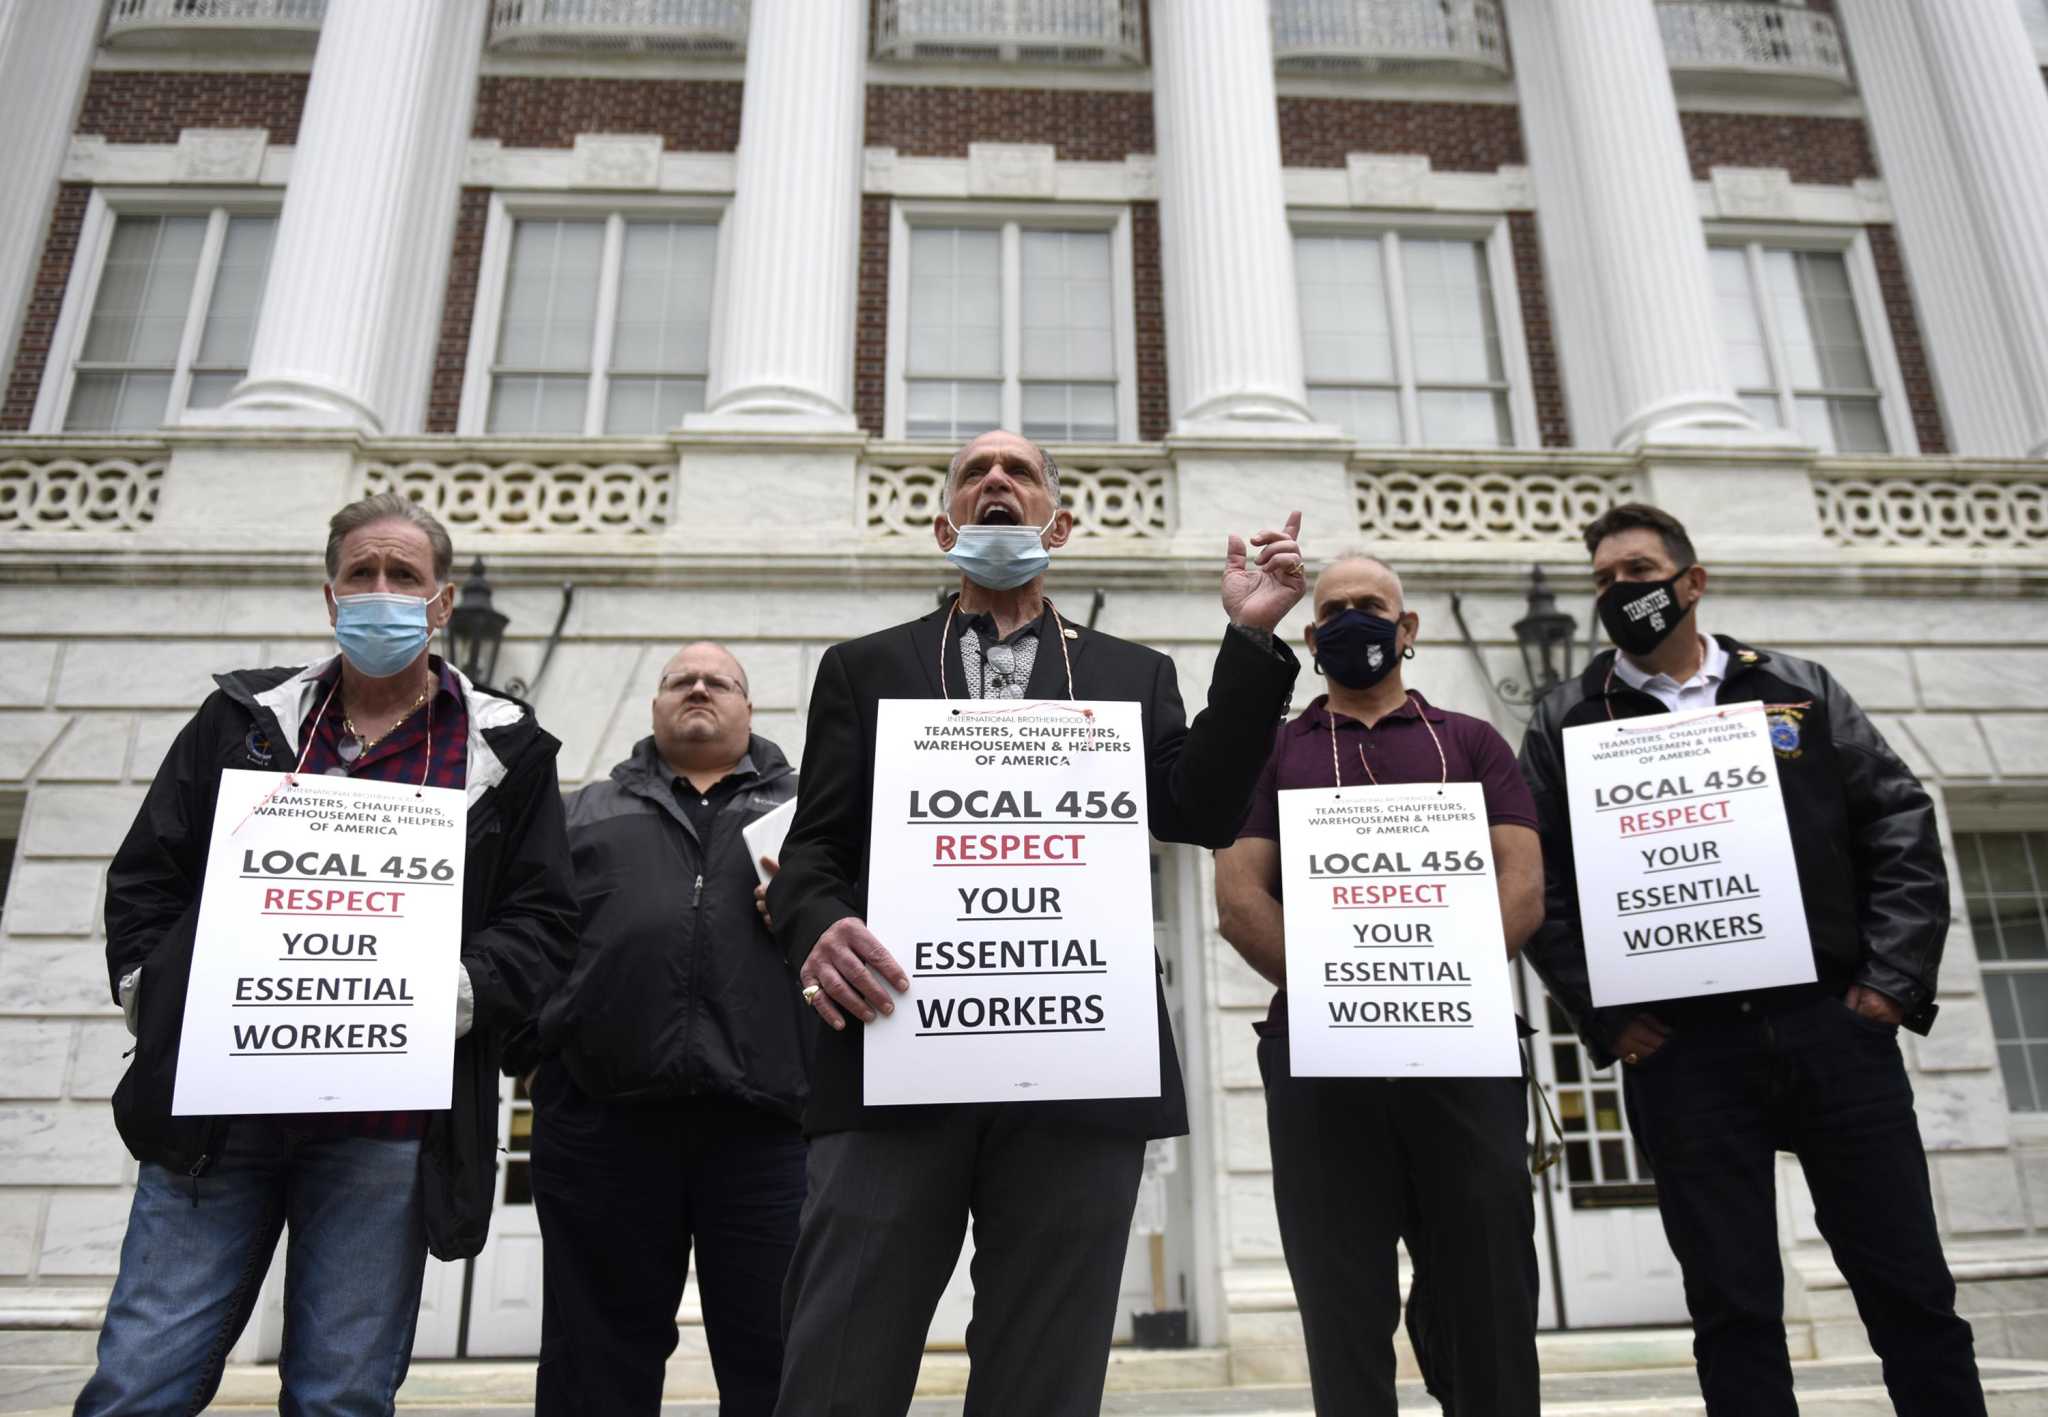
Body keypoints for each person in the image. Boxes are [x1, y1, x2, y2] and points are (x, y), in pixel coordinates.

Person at [765, 428, 1304, 1416]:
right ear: (945, 528)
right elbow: (814, 851)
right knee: (840, 1361)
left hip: (1075, 1072)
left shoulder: (1130, 674)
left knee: (1044, 1381)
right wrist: (819, 925)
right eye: (975, 472)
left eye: (1019, 471)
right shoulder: (863, 668)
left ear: (1059, 525)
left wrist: (1251, 643)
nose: (996, 481)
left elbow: (1201, 810)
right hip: (897, 1054)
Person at [77, 492, 577, 1415]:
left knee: (340, 1395)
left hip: (382, 1126)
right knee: (138, 1381)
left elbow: (543, 921)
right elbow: (148, 876)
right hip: (216, 1119)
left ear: (441, 602)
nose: (382, 590)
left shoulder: (507, 752)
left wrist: (438, 995)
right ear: (331, 596)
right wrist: (168, 997)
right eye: (362, 573)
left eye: (404, 575)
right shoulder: (240, 720)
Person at [1519, 502, 1983, 1416]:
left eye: (1639, 572)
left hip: (1832, 1028)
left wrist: (1888, 985)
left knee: (1911, 1290)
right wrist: (1608, 1017)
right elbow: (1540, 880)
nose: (1621, 591)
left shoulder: (1798, 690)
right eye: (1604, 579)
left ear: (1691, 582)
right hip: (1683, 1052)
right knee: (1732, 1310)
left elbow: (1897, 823)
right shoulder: (1565, 716)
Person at [1214, 553, 1545, 1416]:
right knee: (1341, 1301)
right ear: (1312, 636)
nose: (1354, 618)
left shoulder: (1473, 741)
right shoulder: (1273, 750)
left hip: (1462, 1052)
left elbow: (1522, 887)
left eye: (1372, 604)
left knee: (1489, 1293)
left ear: (1407, 629)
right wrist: (1348, 995)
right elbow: (1240, 897)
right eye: (1335, 610)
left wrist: (1437, 987)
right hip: (1320, 1062)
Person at [530, 642, 805, 1416]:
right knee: (594, 1367)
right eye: (681, 680)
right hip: (605, 1126)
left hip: (770, 1130)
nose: (699, 688)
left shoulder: (813, 815)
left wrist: (817, 900)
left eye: (720, 681)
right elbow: (532, 930)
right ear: (654, 706)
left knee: (781, 1360)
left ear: (749, 707)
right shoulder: (584, 811)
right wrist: (543, 1036)